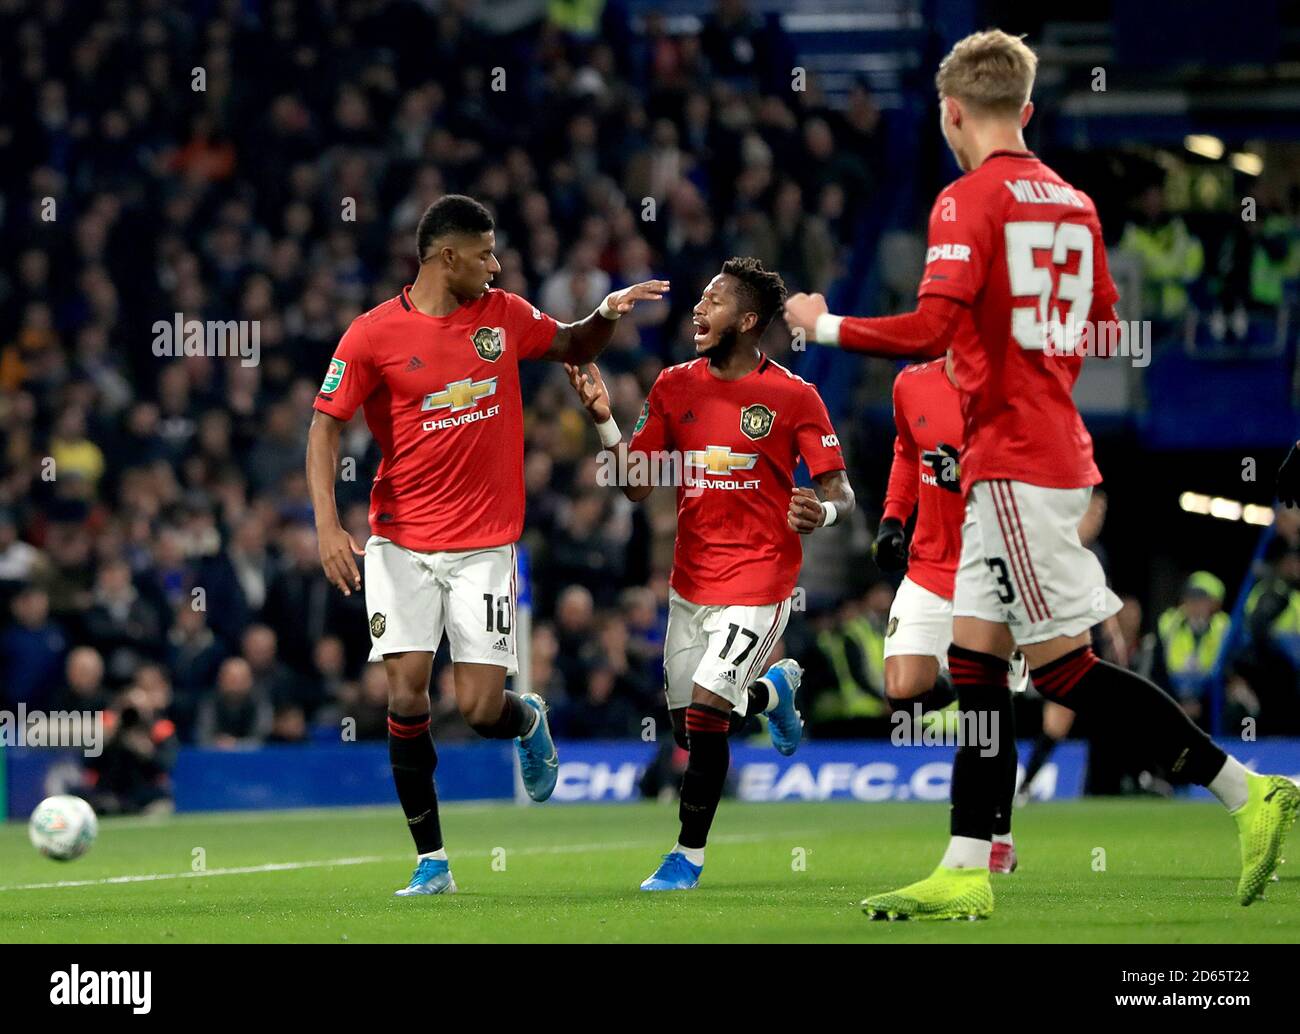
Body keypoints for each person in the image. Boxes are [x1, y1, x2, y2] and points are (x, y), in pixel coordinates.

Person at [784, 30, 1297, 919]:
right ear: (1025, 110)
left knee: (1064, 673)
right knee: (977, 666)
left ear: (952, 113)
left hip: (1017, 464)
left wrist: (824, 324)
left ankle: (1246, 791)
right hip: (1037, 451)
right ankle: (965, 866)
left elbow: (933, 329)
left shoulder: (965, 199)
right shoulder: (1073, 201)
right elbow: (1098, 317)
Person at [306, 193, 667, 896]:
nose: (497, 267)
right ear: (447, 257)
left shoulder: (503, 317)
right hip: (399, 542)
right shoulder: (371, 335)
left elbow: (573, 345)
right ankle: (432, 862)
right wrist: (326, 523)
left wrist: (606, 316)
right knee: (406, 691)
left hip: (482, 548)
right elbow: (323, 427)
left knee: (477, 708)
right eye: (484, 255)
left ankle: (526, 717)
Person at [568, 256, 854, 890]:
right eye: (699, 300)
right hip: (691, 583)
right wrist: (603, 417)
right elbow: (638, 485)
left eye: (714, 302)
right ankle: (773, 693)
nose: (698, 311)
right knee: (691, 727)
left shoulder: (794, 396)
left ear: (748, 320)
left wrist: (824, 511)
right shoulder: (674, 385)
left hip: (761, 577)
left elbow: (841, 488)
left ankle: (686, 856)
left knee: (704, 710)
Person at [875, 349, 1018, 873]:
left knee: (991, 719)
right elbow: (908, 453)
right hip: (930, 568)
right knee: (902, 694)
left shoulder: (1013, 386)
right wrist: (893, 518)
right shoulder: (911, 384)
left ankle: (1000, 833)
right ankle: (970, 688)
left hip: (993, 571)